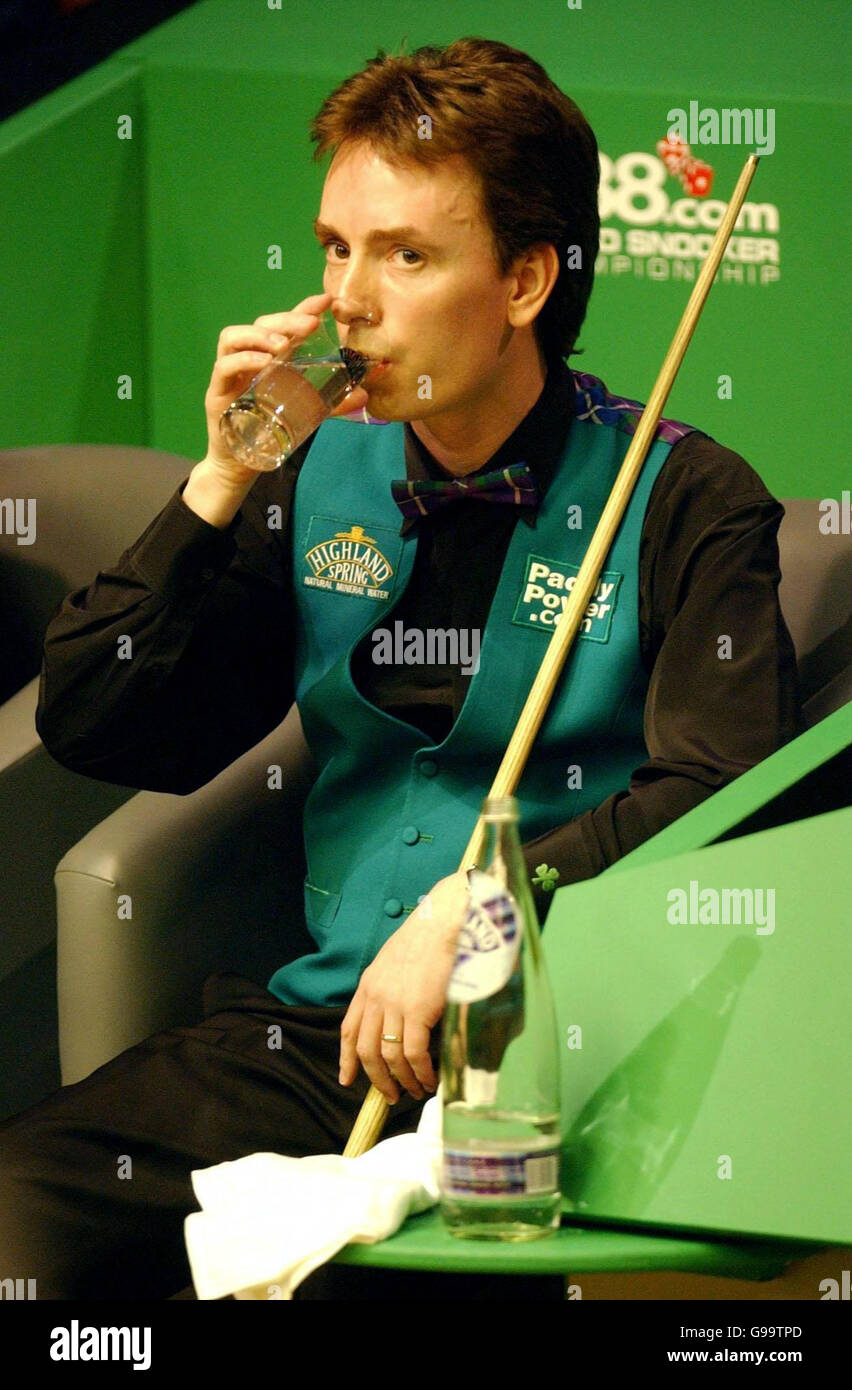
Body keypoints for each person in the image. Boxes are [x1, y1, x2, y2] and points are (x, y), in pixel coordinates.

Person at [0, 37, 802, 1300]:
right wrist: (219, 481)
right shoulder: (314, 470)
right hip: (316, 1039)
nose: (348, 302)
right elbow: (106, 727)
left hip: (560, 1060)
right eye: (335, 248)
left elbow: (724, 790)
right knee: (21, 1222)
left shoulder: (683, 498)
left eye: (406, 255)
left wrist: (478, 907)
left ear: (526, 278)